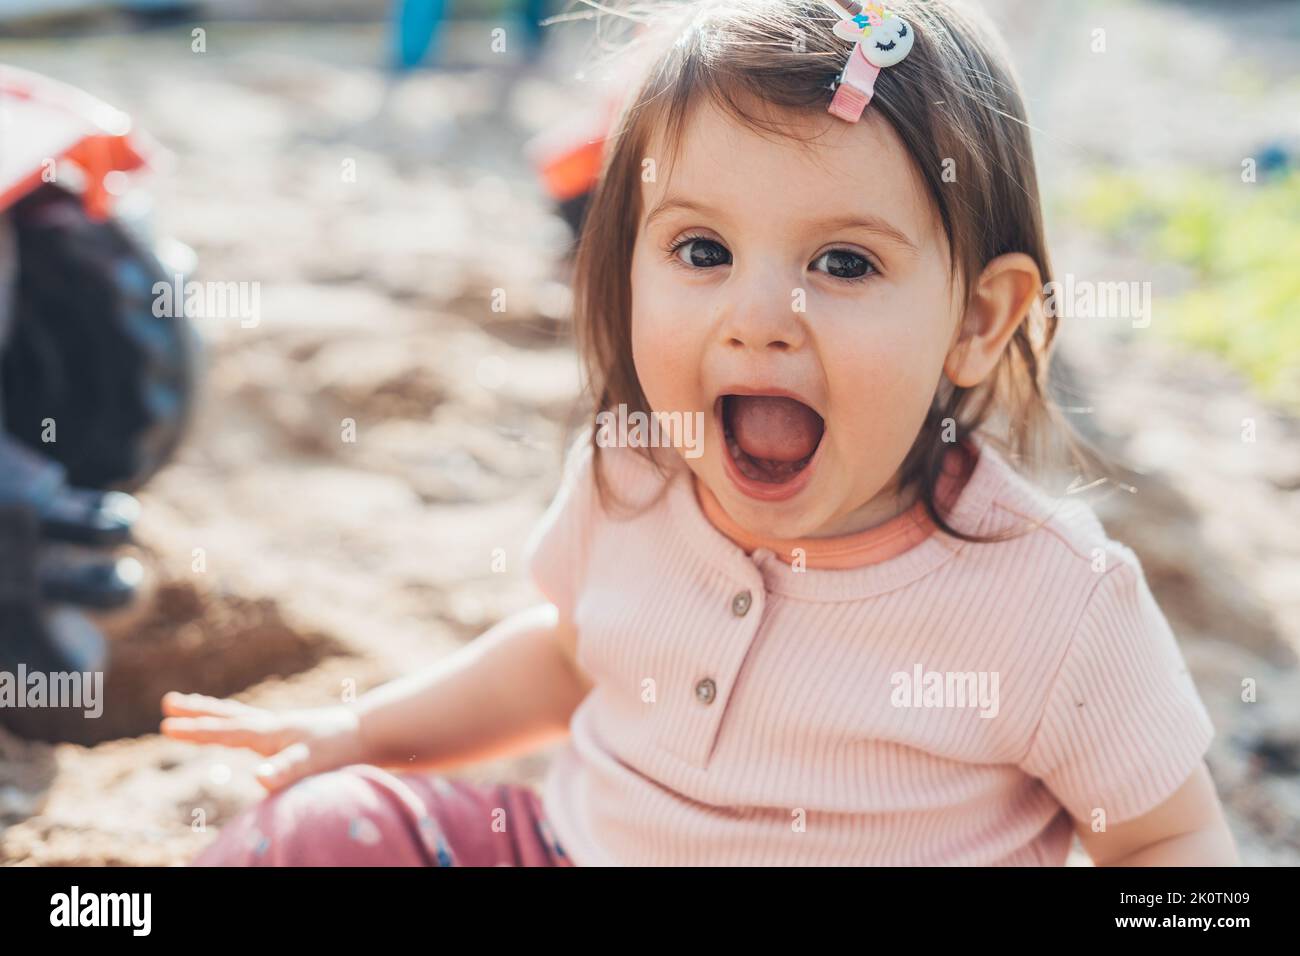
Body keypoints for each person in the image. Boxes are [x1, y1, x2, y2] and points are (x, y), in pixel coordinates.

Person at [162, 0, 1237, 866]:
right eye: (700, 250)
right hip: (574, 846)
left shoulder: (1051, 601)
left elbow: (1165, 835)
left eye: (844, 263)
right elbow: (570, 657)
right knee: (326, 827)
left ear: (975, 319)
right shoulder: (633, 472)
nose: (758, 318)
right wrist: (365, 731)